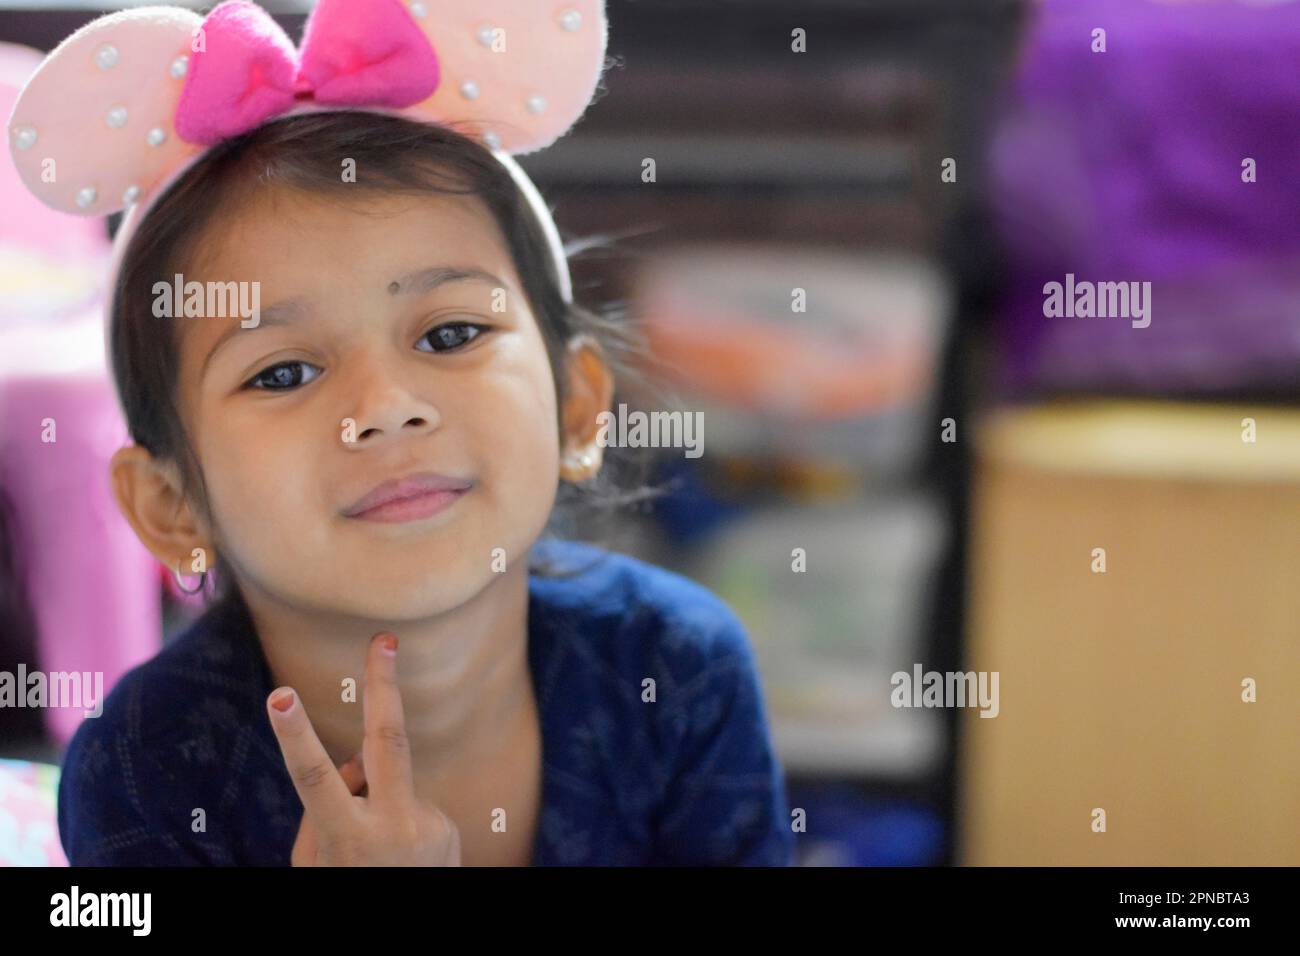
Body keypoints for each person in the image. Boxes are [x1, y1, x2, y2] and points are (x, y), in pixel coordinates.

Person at [9, 0, 794, 865]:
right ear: (172, 507)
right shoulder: (143, 771)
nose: (387, 405)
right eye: (282, 373)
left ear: (576, 407)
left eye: (451, 334)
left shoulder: (676, 671)